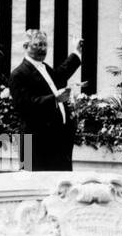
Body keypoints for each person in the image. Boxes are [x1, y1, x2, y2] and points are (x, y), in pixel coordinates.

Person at [9, 28, 83, 171]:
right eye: (37, 45)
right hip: (36, 143)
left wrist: (76, 52)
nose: (42, 49)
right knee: (34, 186)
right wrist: (55, 99)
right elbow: (24, 106)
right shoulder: (19, 74)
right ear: (25, 46)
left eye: (44, 45)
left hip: (55, 140)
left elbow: (60, 76)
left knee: (59, 187)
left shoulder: (44, 68)